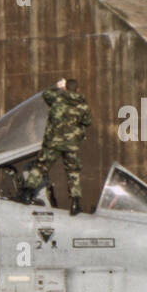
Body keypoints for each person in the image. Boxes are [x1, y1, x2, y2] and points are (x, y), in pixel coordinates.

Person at [23, 78, 92, 215]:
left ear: (65, 88)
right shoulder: (83, 106)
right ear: (77, 90)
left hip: (53, 142)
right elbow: (87, 121)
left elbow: (46, 93)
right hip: (71, 144)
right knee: (73, 172)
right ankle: (75, 204)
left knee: (41, 166)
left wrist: (57, 85)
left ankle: (26, 194)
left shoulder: (57, 99)